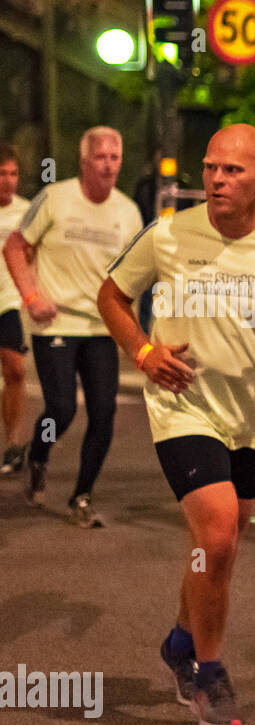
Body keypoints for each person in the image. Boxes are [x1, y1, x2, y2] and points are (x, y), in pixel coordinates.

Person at [97, 124, 255, 725]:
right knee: (218, 535)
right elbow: (112, 296)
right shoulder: (169, 233)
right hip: (182, 405)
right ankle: (209, 671)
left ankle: (178, 641)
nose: (217, 179)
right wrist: (144, 354)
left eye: (232, 171)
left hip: (249, 415)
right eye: (211, 168)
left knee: (218, 541)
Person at [2, 127, 142, 525]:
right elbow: (15, 246)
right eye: (101, 157)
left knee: (103, 415)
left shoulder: (128, 211)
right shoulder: (54, 197)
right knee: (61, 410)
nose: (109, 164)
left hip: (101, 328)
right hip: (56, 322)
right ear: (84, 161)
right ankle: (39, 454)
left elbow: (135, 271)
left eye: (115, 157)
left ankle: (82, 496)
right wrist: (31, 296)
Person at [0, 144, 31, 475]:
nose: (8, 181)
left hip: (7, 302)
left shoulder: (26, 212)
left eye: (13, 174)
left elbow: (36, 252)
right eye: (2, 174)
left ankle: (12, 443)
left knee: (16, 371)